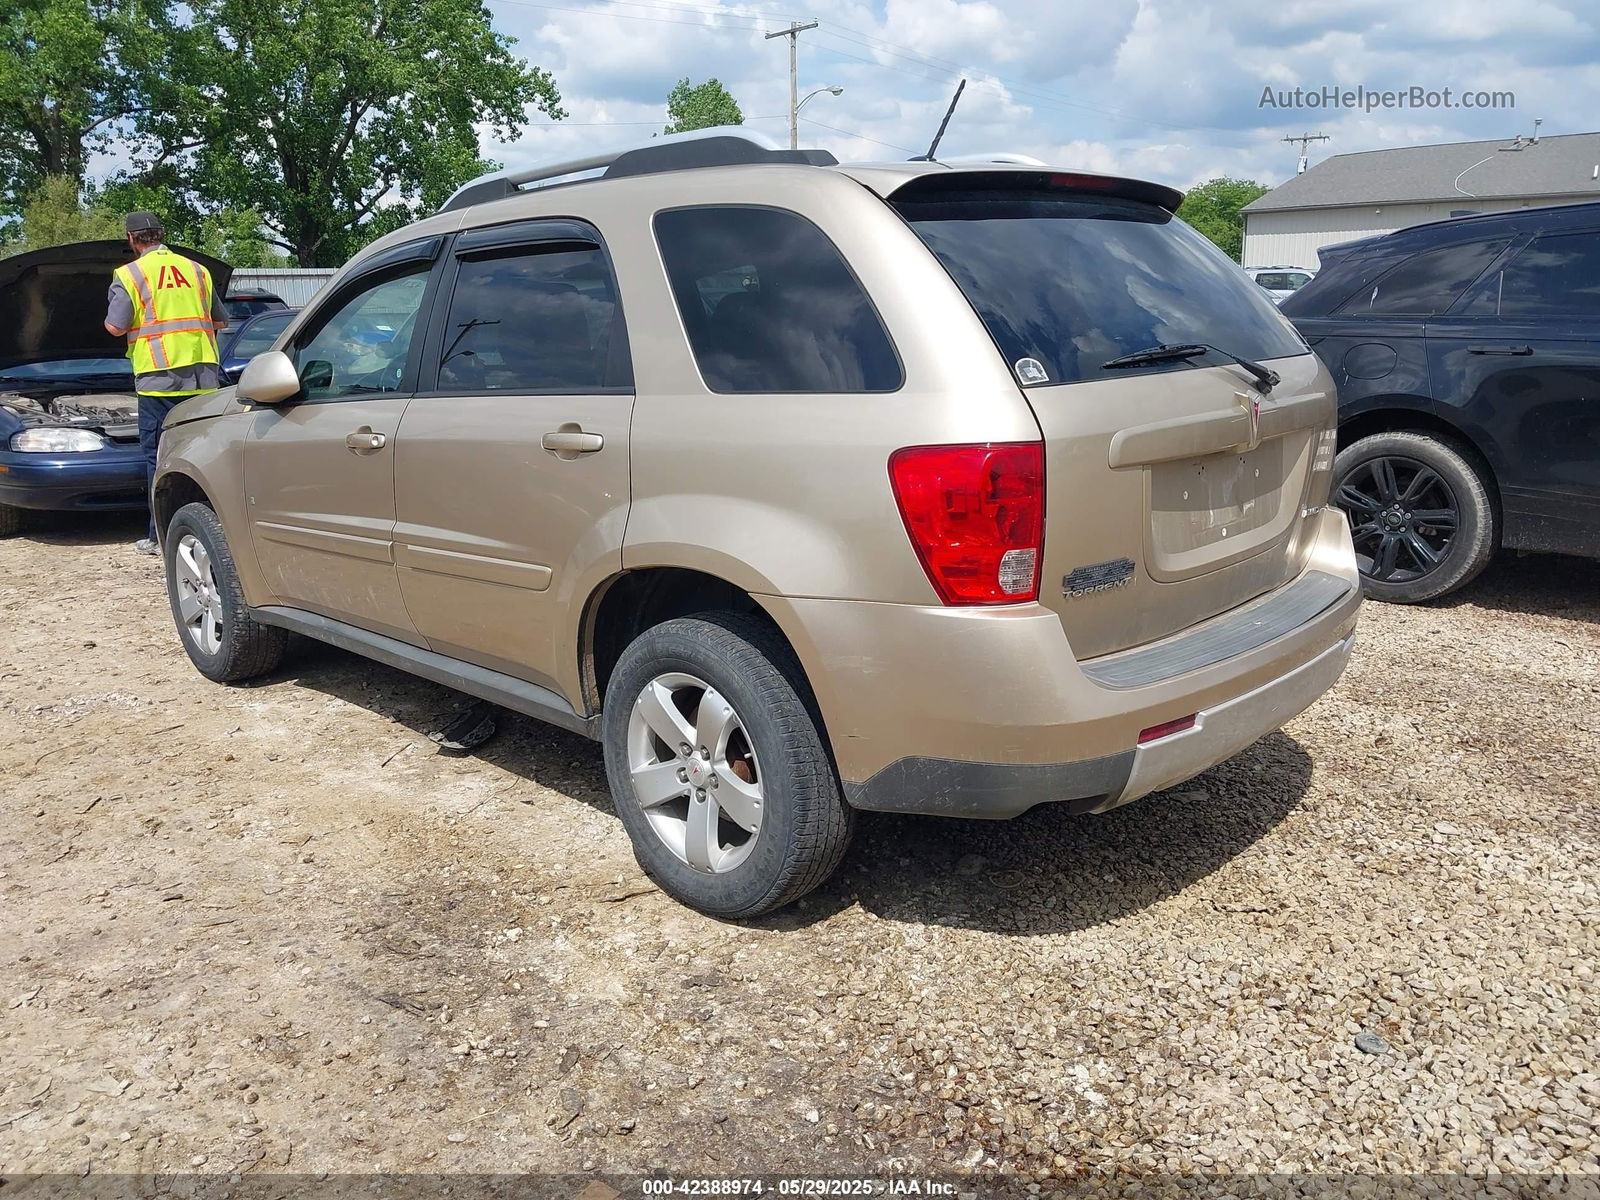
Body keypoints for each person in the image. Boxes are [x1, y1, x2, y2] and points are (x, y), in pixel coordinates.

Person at [103, 212, 228, 554]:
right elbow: (220, 321)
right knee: (206, 454)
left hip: (158, 378)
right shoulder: (198, 270)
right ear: (161, 234)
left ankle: (158, 536)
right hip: (204, 377)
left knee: (157, 456)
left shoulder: (129, 274)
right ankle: (215, 527)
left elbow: (115, 327)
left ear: (132, 239)